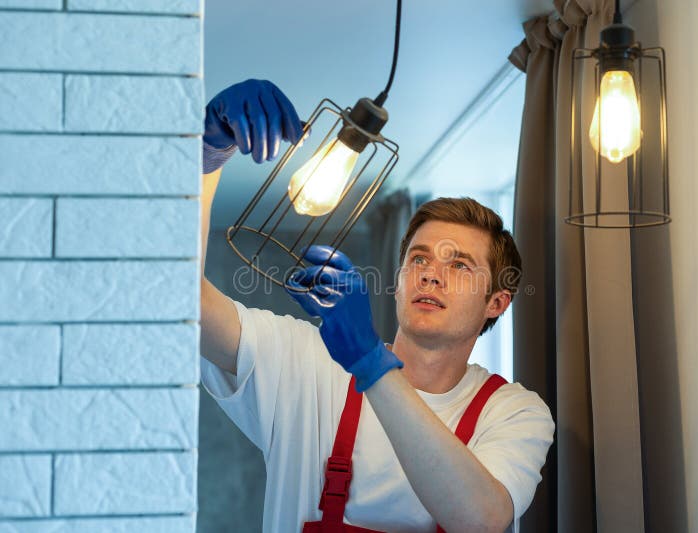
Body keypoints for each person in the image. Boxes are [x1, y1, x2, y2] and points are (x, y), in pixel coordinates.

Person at [199, 79, 555, 533]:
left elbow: (481, 520)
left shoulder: (513, 412)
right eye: (419, 258)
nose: (431, 273)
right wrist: (204, 160)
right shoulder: (306, 362)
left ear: (497, 302)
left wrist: (370, 362)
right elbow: (183, 307)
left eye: (460, 265)